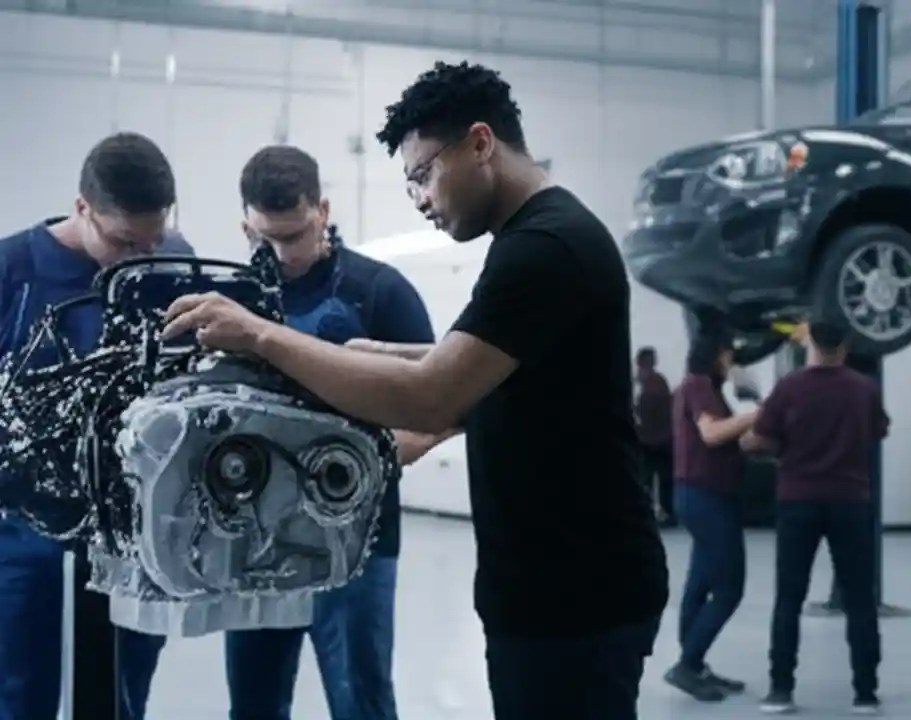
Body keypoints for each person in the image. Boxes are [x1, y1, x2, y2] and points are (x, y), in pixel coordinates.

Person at [159, 61, 669, 720]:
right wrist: (376, 353)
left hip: (575, 591)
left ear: (481, 143)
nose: (421, 197)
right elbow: (497, 371)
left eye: (423, 173)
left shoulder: (544, 248)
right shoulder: (538, 237)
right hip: (551, 582)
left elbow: (435, 397)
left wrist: (258, 336)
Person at [222, 144, 444, 720]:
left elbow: (440, 407)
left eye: (293, 235)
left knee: (361, 702)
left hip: (358, 542)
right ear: (244, 222)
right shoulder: (233, 302)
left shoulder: (380, 292)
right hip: (254, 543)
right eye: (262, 238)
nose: (279, 254)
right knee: (253, 705)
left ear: (321, 209)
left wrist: (375, 461)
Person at [0, 131, 188, 720]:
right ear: (82, 208)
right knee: (19, 690)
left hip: (134, 538)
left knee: (119, 695)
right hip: (24, 536)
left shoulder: (172, 265)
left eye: (153, 240)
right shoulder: (12, 270)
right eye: (125, 242)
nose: (140, 258)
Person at [741, 320, 888, 715]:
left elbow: (763, 436)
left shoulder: (789, 386)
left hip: (797, 500)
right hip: (851, 501)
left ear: (810, 340)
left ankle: (780, 690)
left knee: (789, 597)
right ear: (847, 343)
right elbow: (878, 430)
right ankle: (865, 693)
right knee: (860, 600)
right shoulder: (864, 389)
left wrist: (756, 444)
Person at [662, 332, 756, 702]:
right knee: (730, 588)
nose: (732, 362)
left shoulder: (702, 387)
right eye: (730, 356)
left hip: (699, 495)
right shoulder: (699, 384)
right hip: (708, 498)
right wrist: (759, 414)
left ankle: (694, 664)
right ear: (718, 354)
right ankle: (687, 665)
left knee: (700, 584)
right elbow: (712, 433)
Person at [635, 346, 676, 526]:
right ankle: (666, 513)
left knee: (646, 480)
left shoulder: (642, 383)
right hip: (662, 440)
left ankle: (649, 513)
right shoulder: (657, 381)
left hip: (647, 440)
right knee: (663, 479)